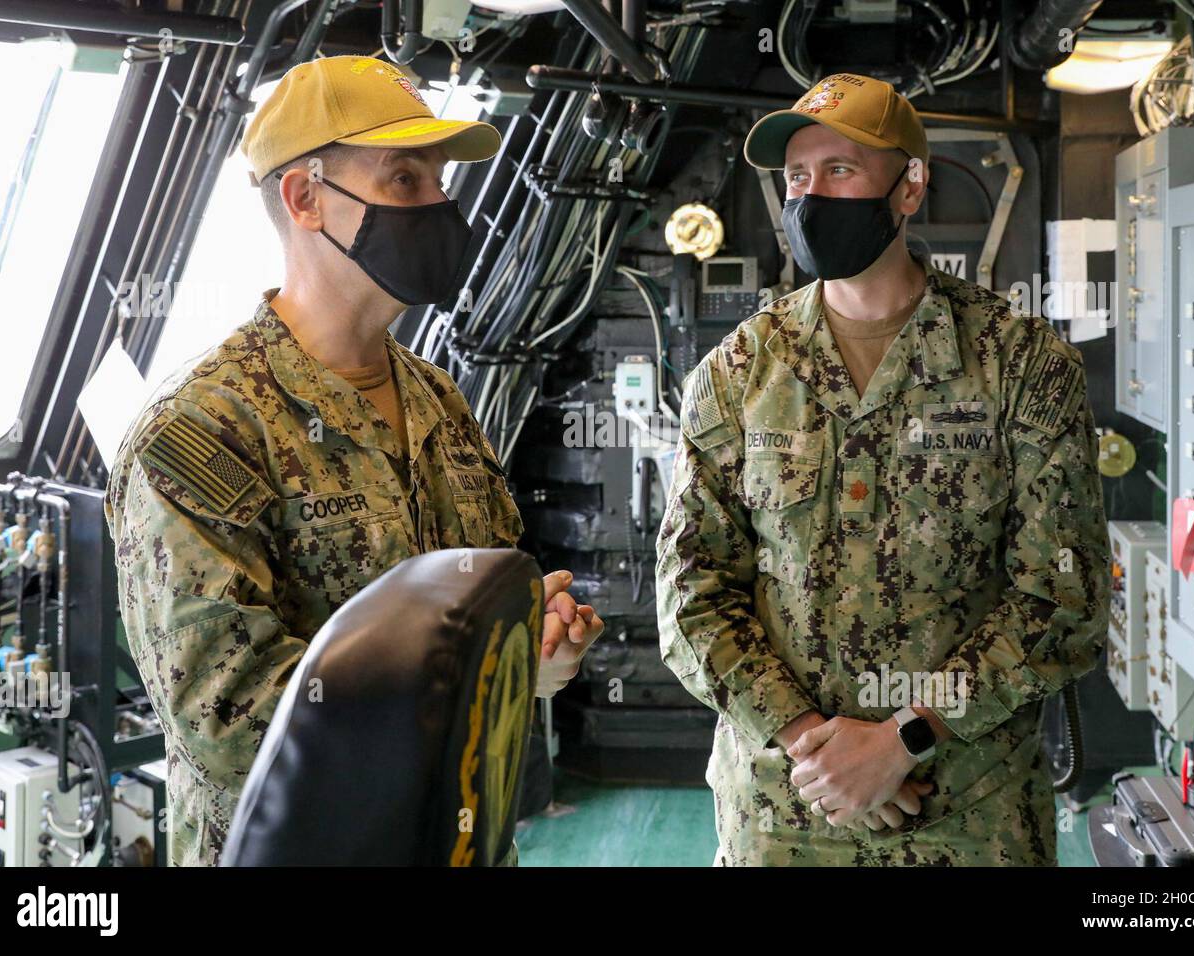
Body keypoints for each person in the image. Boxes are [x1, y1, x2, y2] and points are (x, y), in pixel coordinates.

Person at [104, 55, 603, 867]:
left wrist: (535, 657)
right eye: (405, 181)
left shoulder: (438, 400)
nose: (439, 208)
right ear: (304, 199)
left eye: (440, 182)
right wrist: (455, 695)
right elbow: (229, 726)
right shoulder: (202, 434)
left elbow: (486, 608)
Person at [655, 72, 1109, 865]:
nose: (810, 195)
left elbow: (1061, 596)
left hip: (971, 813)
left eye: (839, 171)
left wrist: (905, 737)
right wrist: (816, 749)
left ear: (909, 187)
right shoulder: (740, 371)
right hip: (782, 811)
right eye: (797, 176)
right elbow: (691, 594)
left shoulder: (1020, 363)